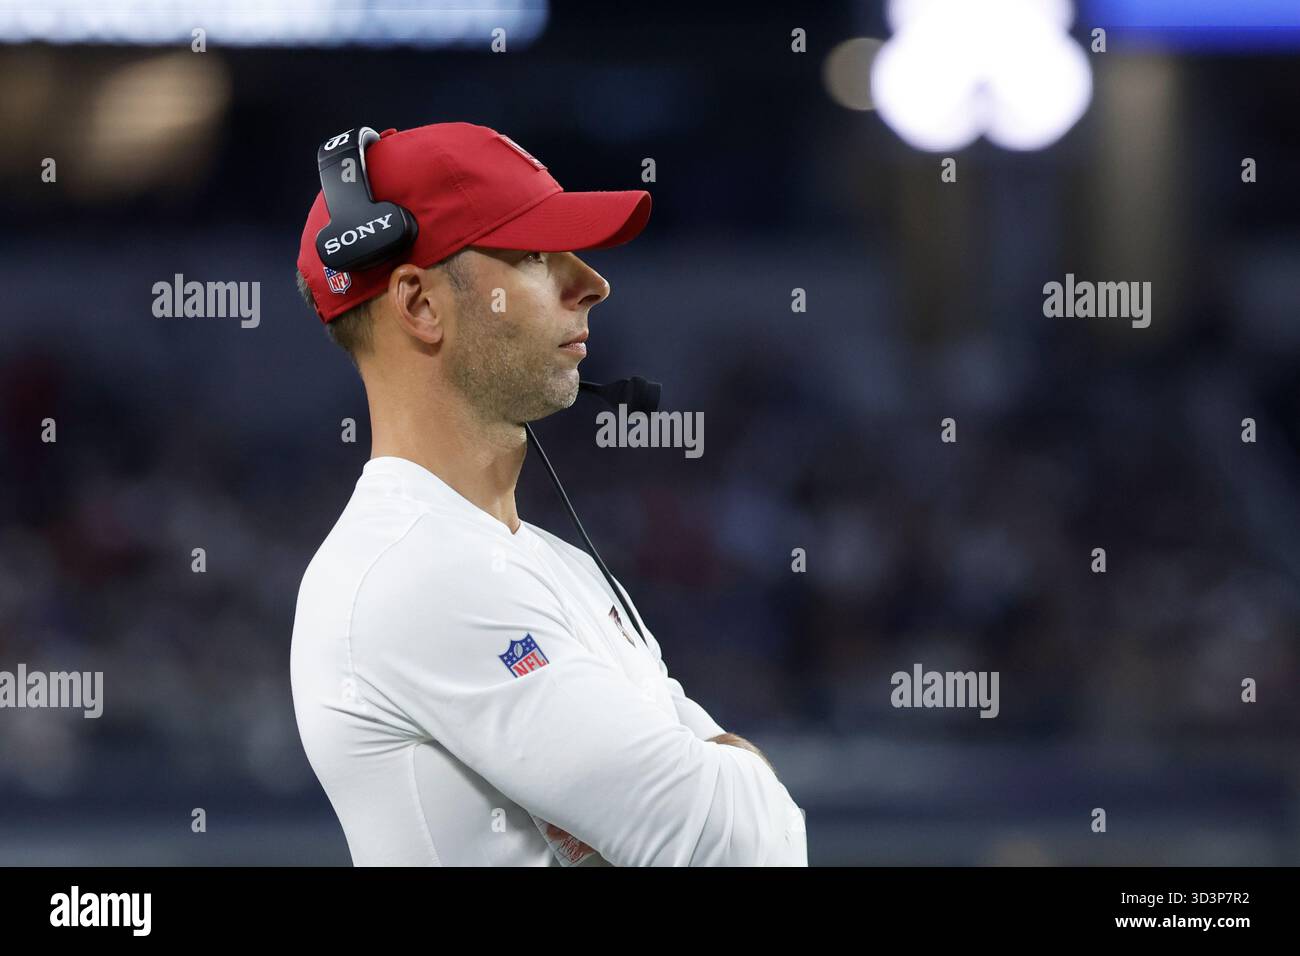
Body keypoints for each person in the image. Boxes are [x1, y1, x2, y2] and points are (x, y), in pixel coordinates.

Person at [289, 121, 807, 866]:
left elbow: (764, 838)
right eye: (534, 254)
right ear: (420, 305)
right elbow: (742, 844)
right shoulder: (410, 573)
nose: (591, 283)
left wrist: (711, 791)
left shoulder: (560, 564)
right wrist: (717, 771)